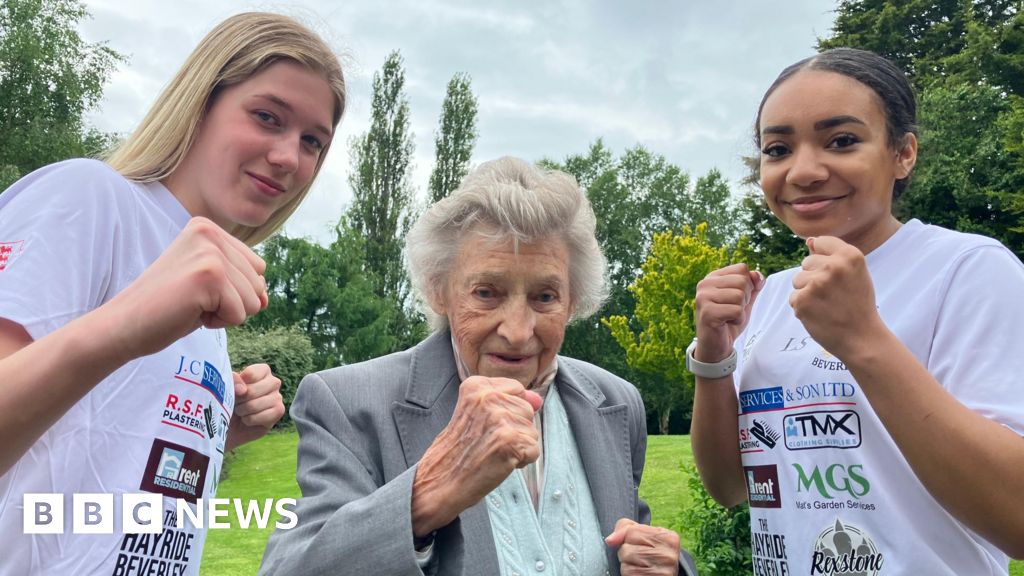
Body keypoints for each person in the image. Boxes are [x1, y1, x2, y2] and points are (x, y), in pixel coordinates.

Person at [0, 12, 345, 575]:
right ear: (200, 102)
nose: (289, 157)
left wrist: (220, 432)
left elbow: (103, 452)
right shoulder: (88, 198)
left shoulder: (199, 275)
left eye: (312, 141)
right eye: (267, 117)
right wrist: (127, 322)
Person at [259, 157, 698, 576]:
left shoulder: (616, 404)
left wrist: (667, 566)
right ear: (439, 291)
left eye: (545, 297)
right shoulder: (349, 404)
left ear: (573, 300)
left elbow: (637, 539)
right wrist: (424, 499)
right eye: (487, 292)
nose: (518, 331)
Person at [689, 47, 1024, 574]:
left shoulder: (969, 269)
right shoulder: (770, 296)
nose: (801, 171)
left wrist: (863, 338)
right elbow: (730, 487)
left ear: (903, 153)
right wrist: (713, 358)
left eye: (841, 141)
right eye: (777, 149)